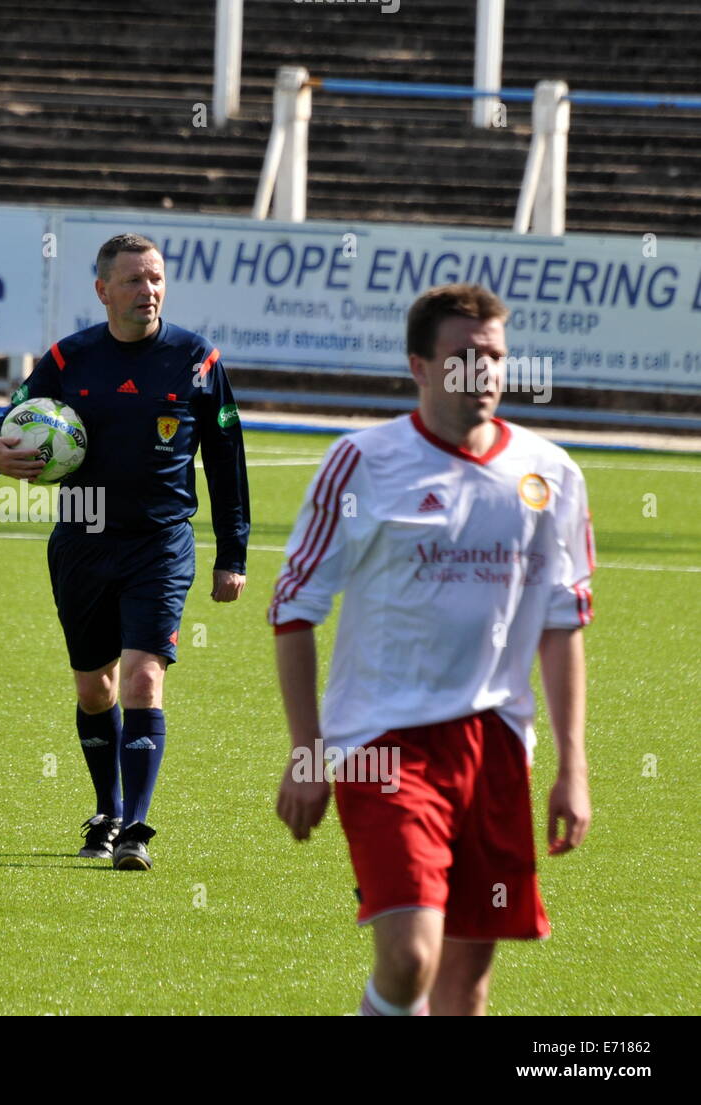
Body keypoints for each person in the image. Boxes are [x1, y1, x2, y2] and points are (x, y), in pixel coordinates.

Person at [270, 283, 594, 1016]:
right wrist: (306, 752)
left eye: (494, 357)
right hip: (382, 742)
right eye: (462, 357)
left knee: (465, 984)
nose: (481, 371)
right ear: (420, 366)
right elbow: (294, 609)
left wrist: (572, 766)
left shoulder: (551, 475)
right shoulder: (363, 462)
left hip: (496, 746)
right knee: (412, 953)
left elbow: (562, 622)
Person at [0, 233, 250, 871]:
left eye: (154, 279)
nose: (147, 291)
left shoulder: (197, 360)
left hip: (160, 543)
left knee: (142, 678)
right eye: (132, 281)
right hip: (80, 535)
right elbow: (7, 423)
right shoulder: (68, 361)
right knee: (94, 689)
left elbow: (226, 463)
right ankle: (107, 807)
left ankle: (135, 828)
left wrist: (231, 553)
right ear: (103, 291)